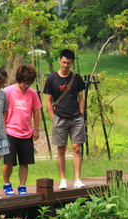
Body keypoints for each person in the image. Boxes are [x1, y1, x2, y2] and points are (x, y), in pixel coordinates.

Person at [43, 49, 86, 190]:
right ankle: (63, 179)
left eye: (68, 63)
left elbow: (81, 98)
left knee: (76, 148)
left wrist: (81, 114)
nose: (65, 65)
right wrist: (53, 117)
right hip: (59, 117)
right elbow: (48, 101)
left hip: (75, 118)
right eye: (63, 62)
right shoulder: (51, 79)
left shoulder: (77, 78)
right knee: (61, 149)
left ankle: (77, 178)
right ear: (59, 61)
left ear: (72, 63)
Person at [1, 65, 42, 195]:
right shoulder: (7, 91)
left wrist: (36, 129)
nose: (26, 86)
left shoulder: (33, 93)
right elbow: (2, 112)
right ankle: (6, 184)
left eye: (29, 83)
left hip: (26, 133)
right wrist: (2, 131)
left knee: (25, 162)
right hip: (10, 132)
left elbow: (36, 111)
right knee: (8, 161)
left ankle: (22, 186)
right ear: (19, 79)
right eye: (25, 83)